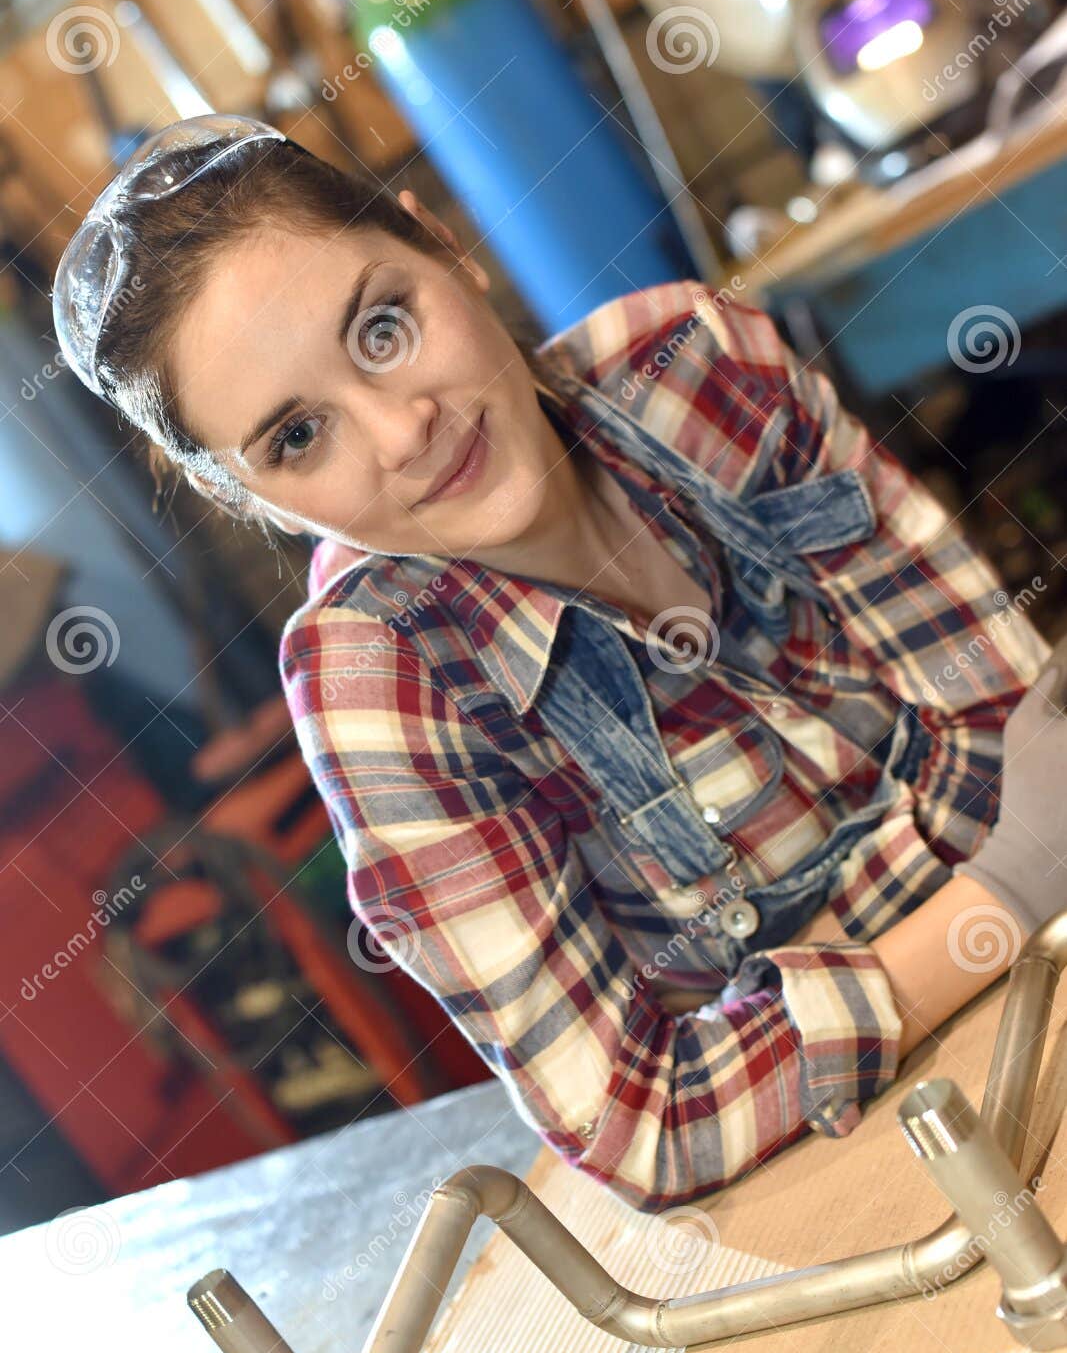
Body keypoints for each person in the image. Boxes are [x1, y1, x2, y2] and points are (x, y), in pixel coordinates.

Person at [52, 114, 1067, 1213]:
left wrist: (794, 1004)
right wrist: (998, 887)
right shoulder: (379, 685)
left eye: (383, 327)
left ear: (442, 242)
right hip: (843, 1171)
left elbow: (1008, 716)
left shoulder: (698, 361)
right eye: (298, 437)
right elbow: (645, 1127)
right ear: (241, 497)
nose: (403, 434)